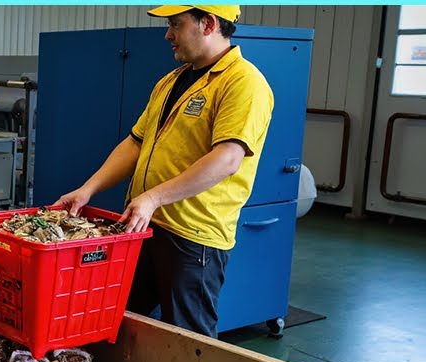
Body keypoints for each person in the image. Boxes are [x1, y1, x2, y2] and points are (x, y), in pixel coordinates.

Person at [57, 5, 273, 337]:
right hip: (144, 226)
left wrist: (153, 197)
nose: (167, 34)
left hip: (193, 236)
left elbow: (228, 158)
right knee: (118, 320)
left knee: (189, 340)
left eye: (176, 24)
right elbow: (135, 143)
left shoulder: (244, 83)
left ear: (208, 24)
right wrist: (89, 189)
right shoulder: (171, 81)